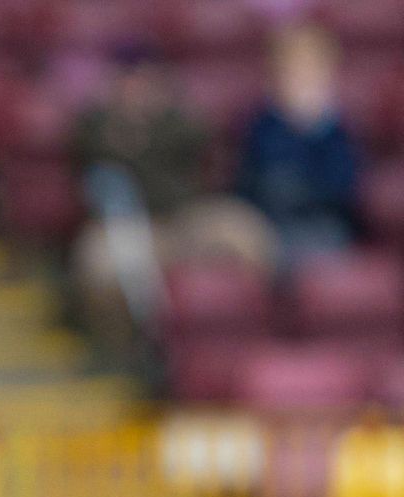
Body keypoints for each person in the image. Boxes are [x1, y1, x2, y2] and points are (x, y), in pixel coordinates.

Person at [68, 44, 275, 362]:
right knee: (97, 263)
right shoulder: (97, 122)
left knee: (246, 232)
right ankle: (124, 354)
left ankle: (256, 334)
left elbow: (196, 136)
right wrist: (124, 125)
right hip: (131, 227)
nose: (135, 88)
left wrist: (145, 129)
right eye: (128, 79)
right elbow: (87, 143)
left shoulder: (176, 118)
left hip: (187, 219)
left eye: (143, 79)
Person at [237, 22, 363, 267]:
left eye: (311, 74)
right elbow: (250, 185)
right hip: (269, 226)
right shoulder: (262, 126)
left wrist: (314, 130)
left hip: (323, 227)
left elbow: (344, 189)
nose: (301, 83)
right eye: (292, 73)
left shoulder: (338, 132)